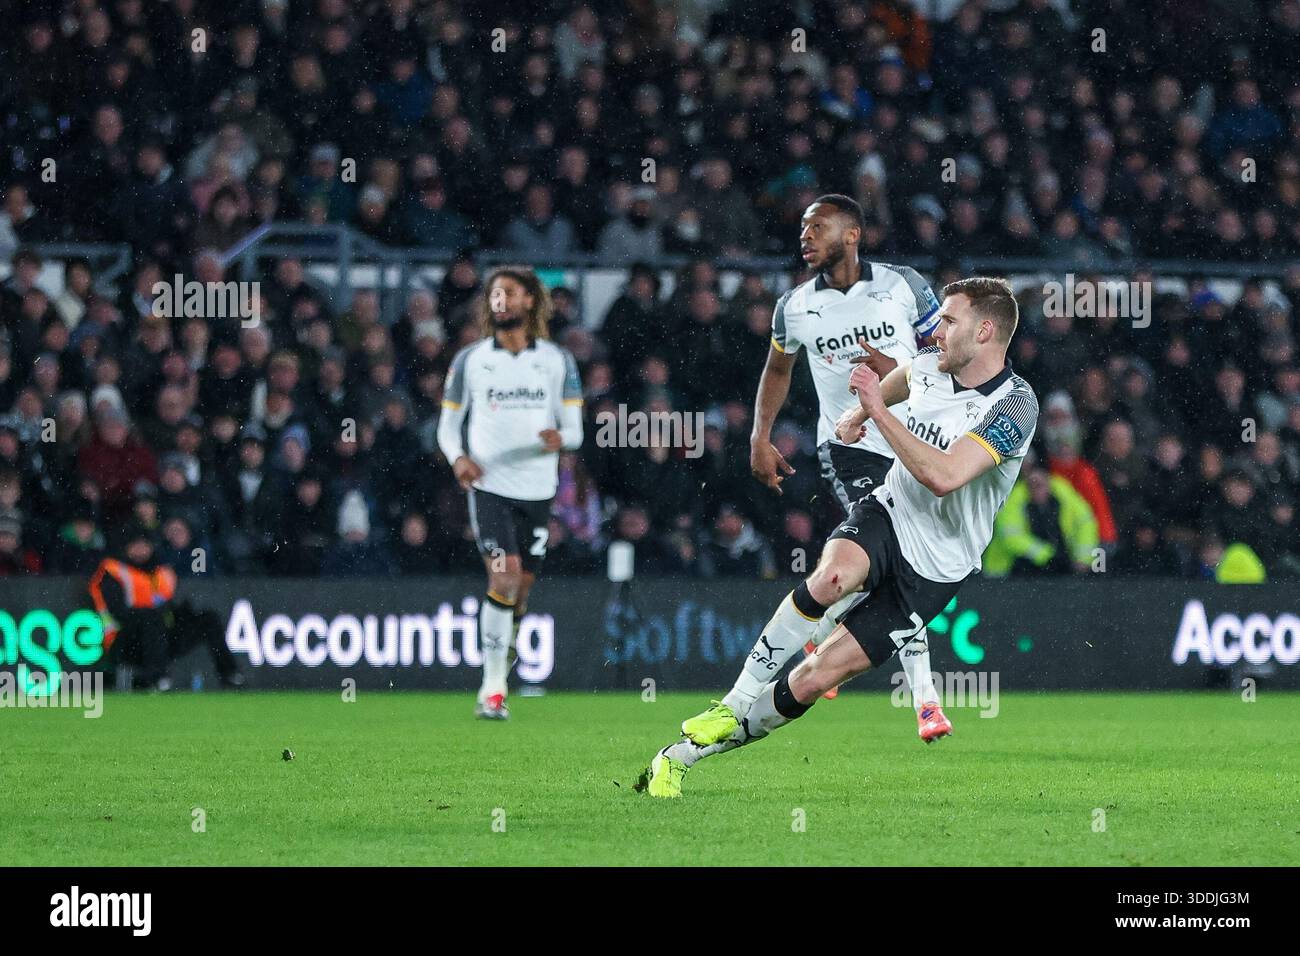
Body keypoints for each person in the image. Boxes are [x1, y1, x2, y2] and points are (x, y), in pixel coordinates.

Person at [640, 277, 1038, 798]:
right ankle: (733, 702)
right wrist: (855, 414)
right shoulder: (929, 366)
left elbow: (943, 475)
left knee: (809, 680)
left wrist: (872, 409)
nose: (936, 330)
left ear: (985, 331)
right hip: (891, 513)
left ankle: (679, 758)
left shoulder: (1015, 406)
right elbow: (902, 377)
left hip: (937, 569)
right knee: (831, 577)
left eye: (949, 320)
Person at [740, 193, 950, 739]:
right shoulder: (794, 306)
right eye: (802, 228)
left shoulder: (903, 284)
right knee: (898, 553)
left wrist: (898, 370)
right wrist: (760, 436)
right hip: (849, 444)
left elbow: (944, 357)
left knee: (889, 564)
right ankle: (926, 701)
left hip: (917, 441)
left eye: (818, 227)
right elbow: (778, 371)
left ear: (852, 234)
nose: (804, 236)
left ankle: (826, 634)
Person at [437, 267, 583, 720]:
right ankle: (493, 687)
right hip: (489, 487)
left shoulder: (557, 361)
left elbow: (575, 429)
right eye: (495, 294)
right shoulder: (470, 360)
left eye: (510, 294)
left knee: (519, 591)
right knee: (503, 577)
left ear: (529, 303)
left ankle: (504, 652)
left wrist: (562, 439)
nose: (500, 301)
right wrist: (458, 458)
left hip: (538, 490)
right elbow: (447, 426)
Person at [89, 523, 243, 690]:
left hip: (161, 639)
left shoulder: (161, 571)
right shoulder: (114, 571)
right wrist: (153, 613)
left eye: (145, 545)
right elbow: (118, 611)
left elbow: (170, 605)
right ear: (127, 547)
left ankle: (230, 675)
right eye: (136, 545)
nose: (141, 550)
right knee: (151, 618)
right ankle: (157, 678)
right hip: (125, 643)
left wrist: (181, 612)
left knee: (208, 619)